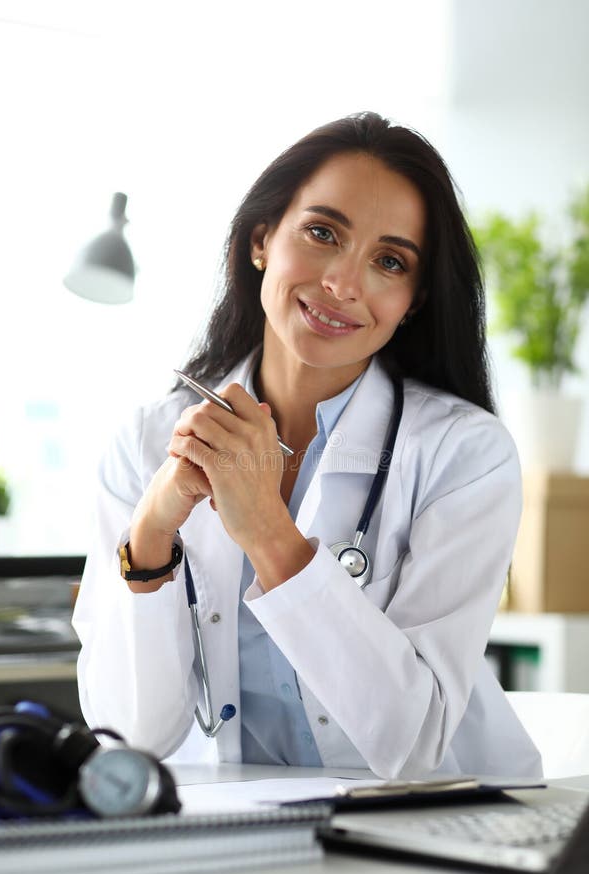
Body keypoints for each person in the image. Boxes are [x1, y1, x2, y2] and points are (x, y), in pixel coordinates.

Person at [72, 112, 541, 779]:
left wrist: (267, 529)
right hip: (235, 829)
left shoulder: (464, 454)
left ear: (413, 299)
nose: (344, 285)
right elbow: (131, 736)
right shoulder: (148, 441)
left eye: (389, 261)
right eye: (323, 233)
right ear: (261, 239)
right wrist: (151, 530)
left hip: (424, 829)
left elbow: (409, 743)